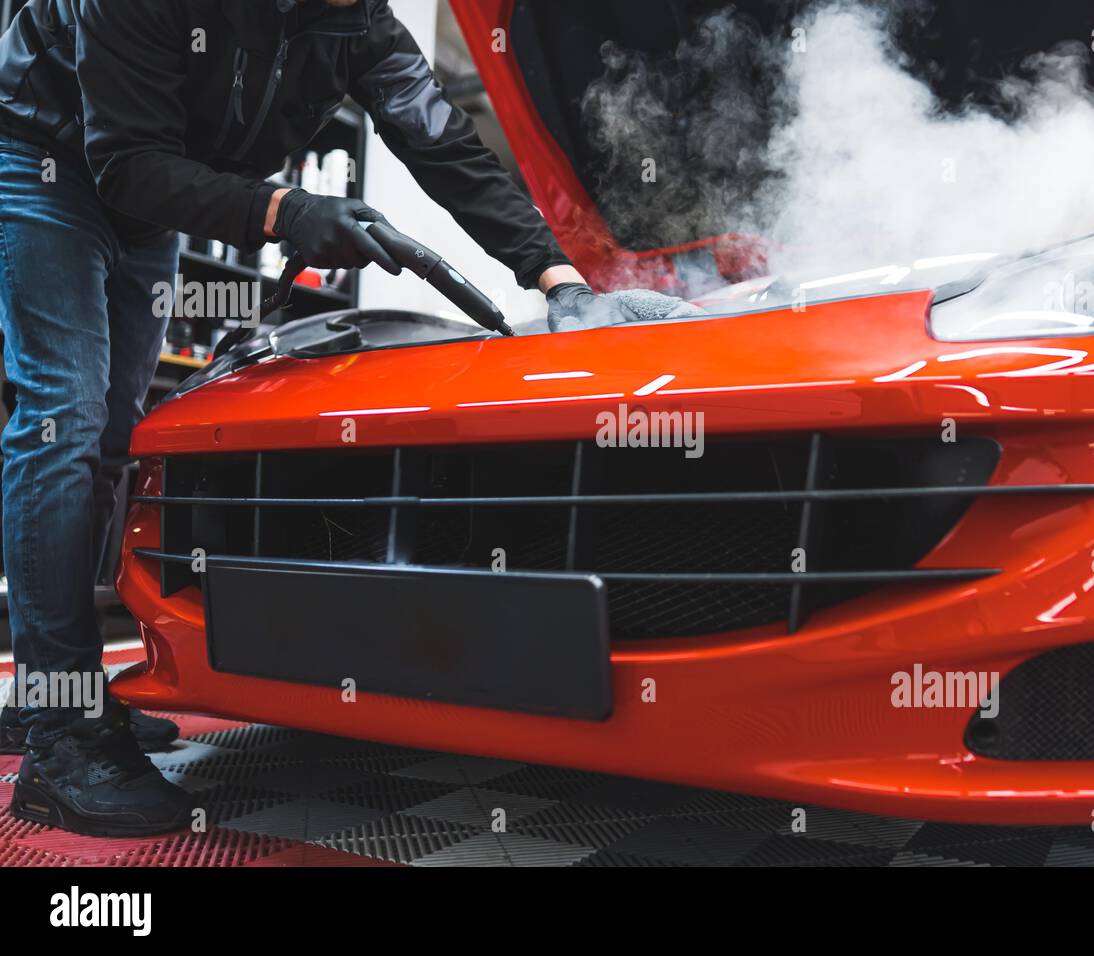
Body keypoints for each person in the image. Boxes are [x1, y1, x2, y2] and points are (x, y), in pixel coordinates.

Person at [0, 0, 630, 837]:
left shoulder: (356, 18)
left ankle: (55, 686)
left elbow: (441, 141)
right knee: (65, 421)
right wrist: (284, 211)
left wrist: (556, 278)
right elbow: (124, 161)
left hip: (152, 190)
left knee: (121, 436)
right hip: (44, 158)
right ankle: (59, 739)